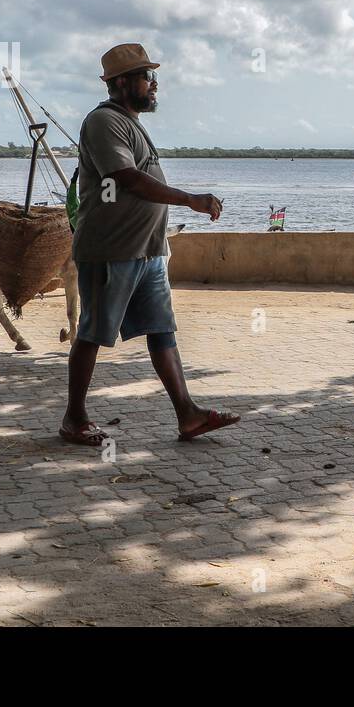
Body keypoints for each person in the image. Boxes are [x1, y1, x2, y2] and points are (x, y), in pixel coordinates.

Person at [61, 42, 240, 446]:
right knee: (92, 333)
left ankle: (187, 414)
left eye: (152, 76)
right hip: (111, 251)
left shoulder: (130, 122)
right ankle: (74, 418)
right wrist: (190, 200)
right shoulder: (103, 123)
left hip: (149, 252)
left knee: (162, 330)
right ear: (122, 83)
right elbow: (128, 178)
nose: (153, 84)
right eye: (146, 77)